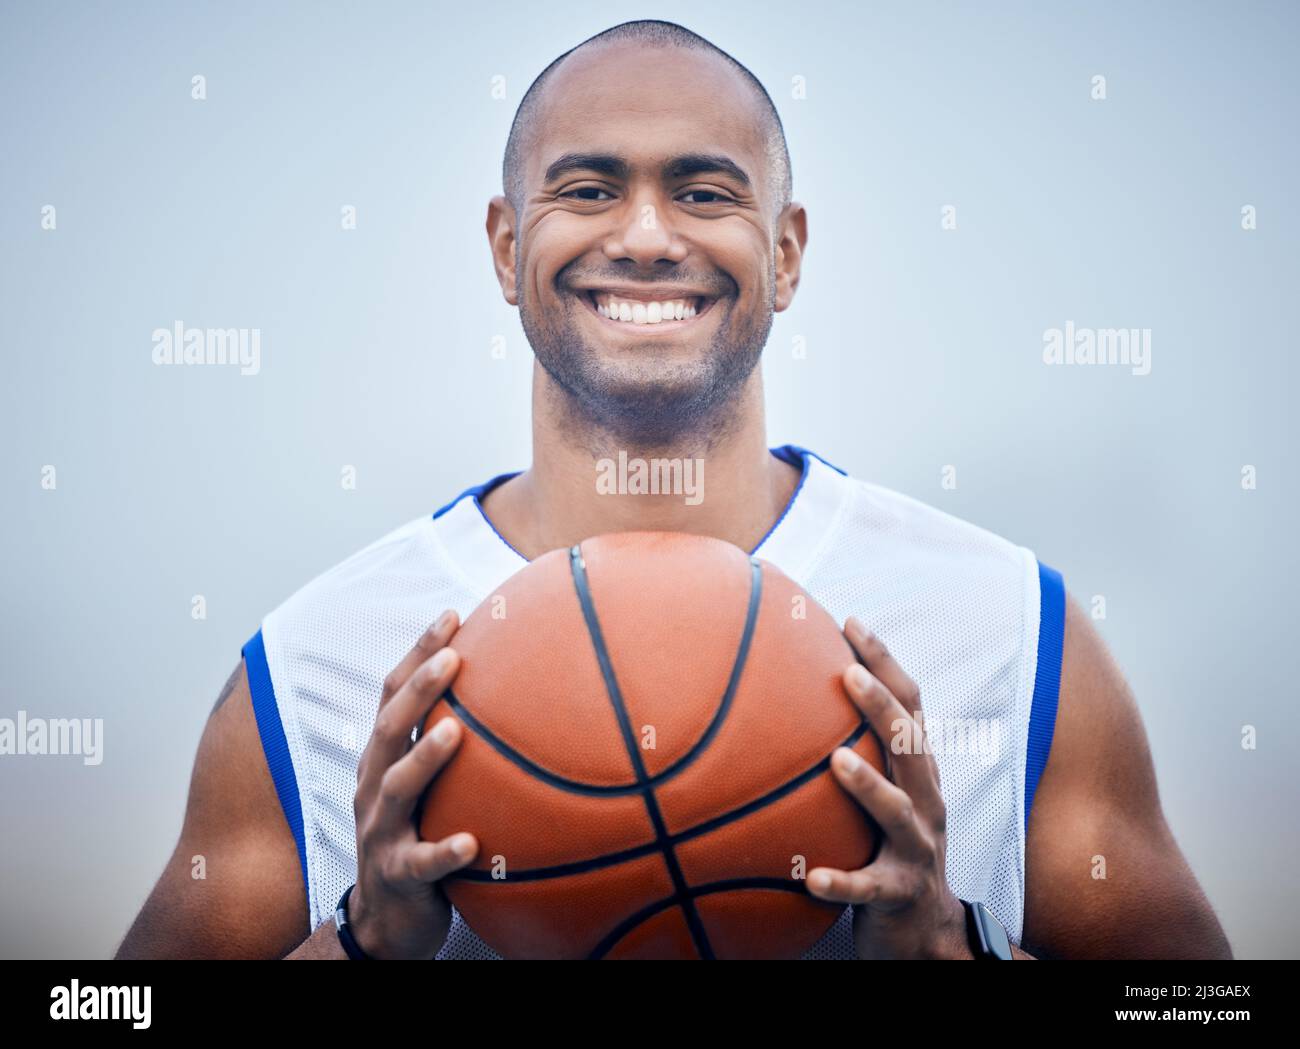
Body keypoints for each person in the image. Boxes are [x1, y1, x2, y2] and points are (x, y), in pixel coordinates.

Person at [117, 20, 1231, 960]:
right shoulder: (315, 666)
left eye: (703, 191)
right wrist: (362, 942)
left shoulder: (1006, 631)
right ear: (506, 247)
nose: (646, 237)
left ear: (785, 253)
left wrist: (956, 940)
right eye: (589, 186)